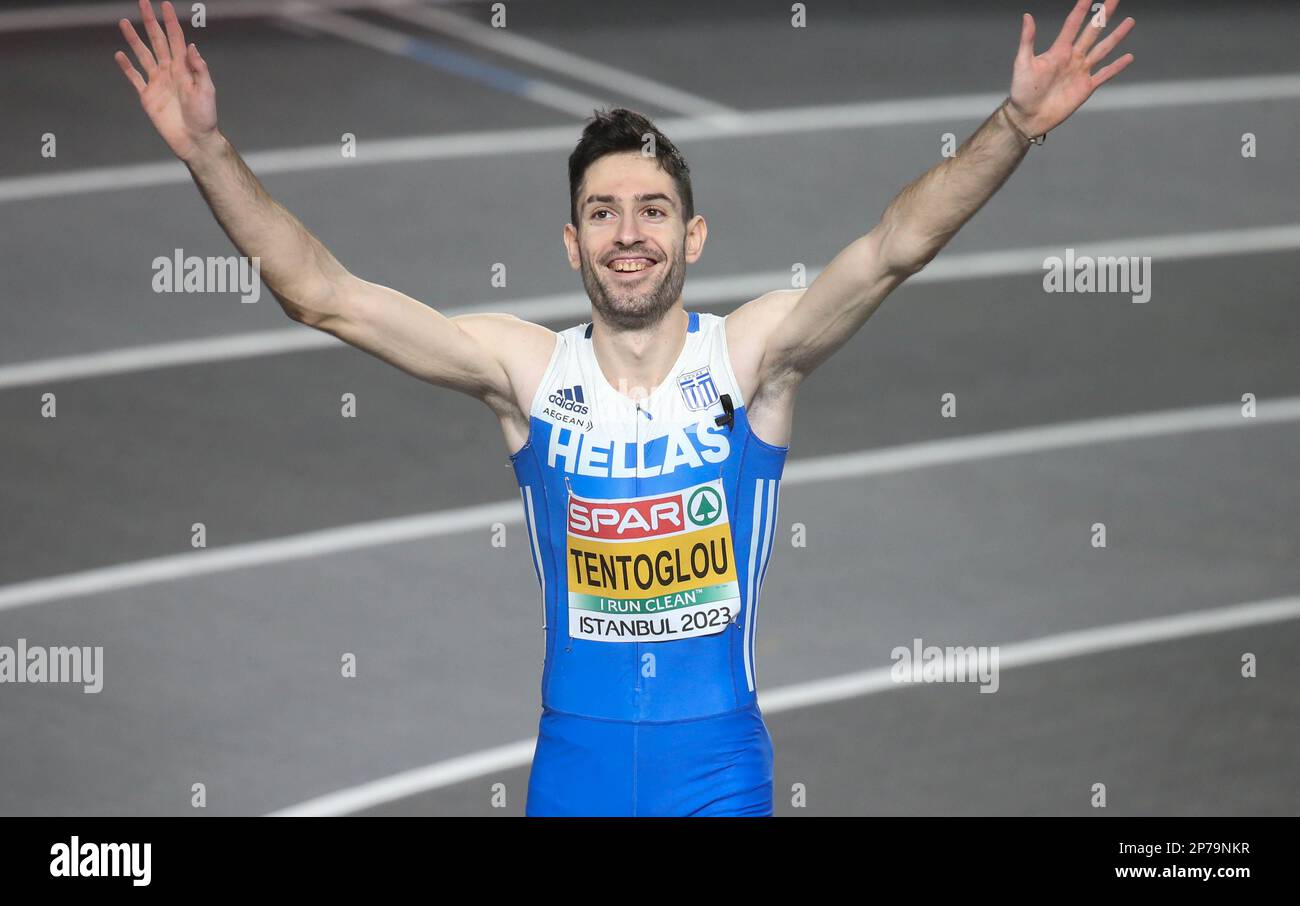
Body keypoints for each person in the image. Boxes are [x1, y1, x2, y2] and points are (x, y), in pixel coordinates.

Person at [115, 0, 1135, 816]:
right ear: (572, 244)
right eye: (601, 212)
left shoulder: (750, 358)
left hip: (715, 772)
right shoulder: (524, 373)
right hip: (574, 772)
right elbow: (321, 294)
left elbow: (892, 249)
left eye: (653, 211)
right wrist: (206, 151)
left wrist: (1009, 128)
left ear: (692, 238)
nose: (628, 232)